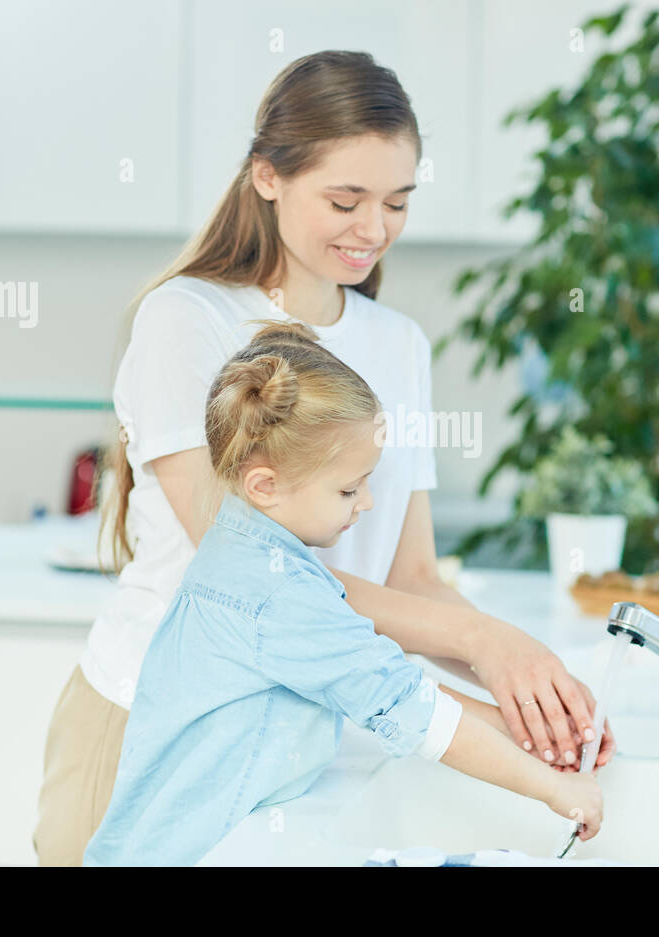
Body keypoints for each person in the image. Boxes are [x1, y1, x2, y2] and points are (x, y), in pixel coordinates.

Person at [34, 49, 614, 866]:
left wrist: (524, 692)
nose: (374, 230)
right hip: (157, 729)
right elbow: (258, 572)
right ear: (268, 176)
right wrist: (480, 646)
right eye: (346, 200)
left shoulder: (398, 346)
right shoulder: (184, 321)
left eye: (397, 202)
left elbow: (409, 576)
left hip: (300, 738)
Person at [83, 322, 604, 865]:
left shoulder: (245, 553)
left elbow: (401, 691)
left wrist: (544, 735)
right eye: (349, 488)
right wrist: (554, 788)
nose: (368, 503)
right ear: (265, 486)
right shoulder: (279, 596)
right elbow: (414, 711)